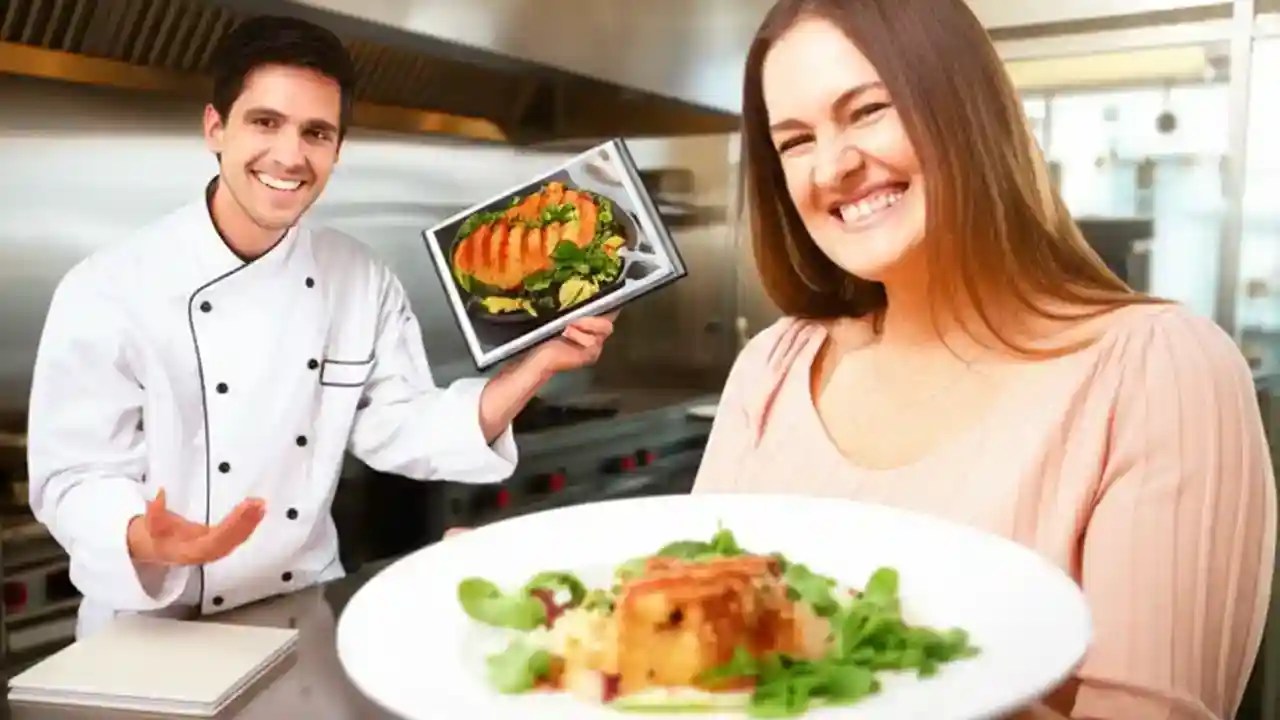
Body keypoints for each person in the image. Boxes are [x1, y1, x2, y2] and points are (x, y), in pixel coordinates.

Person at [691, 1, 1276, 718]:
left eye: (869, 109)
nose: (835, 165)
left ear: (965, 108)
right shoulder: (772, 366)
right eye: (796, 141)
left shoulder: (1159, 370)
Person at [25, 15, 615, 639]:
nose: (289, 155)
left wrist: (537, 365)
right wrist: (143, 536)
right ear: (215, 129)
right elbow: (73, 475)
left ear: (337, 151)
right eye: (265, 122)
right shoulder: (109, 286)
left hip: (300, 615)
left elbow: (401, 425)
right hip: (150, 628)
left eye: (315, 132)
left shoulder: (360, 280)